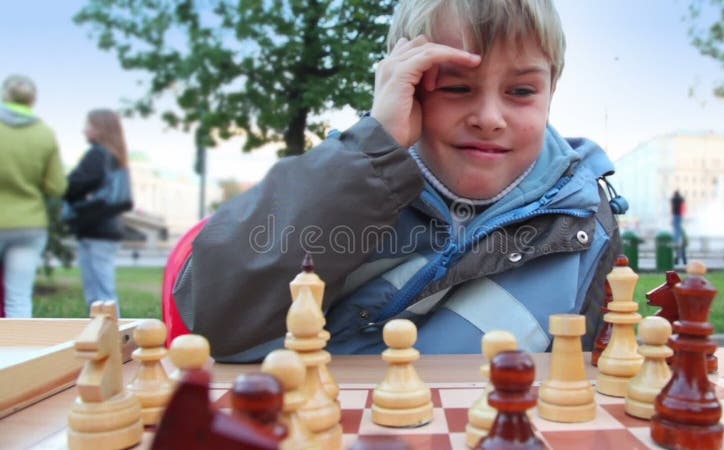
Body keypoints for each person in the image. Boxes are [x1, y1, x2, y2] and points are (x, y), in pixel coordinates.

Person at [174, 0, 623, 362]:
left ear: (551, 91)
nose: (489, 118)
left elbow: (578, 379)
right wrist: (373, 151)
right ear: (403, 82)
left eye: (521, 91)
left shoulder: (586, 221)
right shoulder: (349, 175)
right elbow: (210, 311)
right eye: (455, 87)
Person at [0, 75, 66, 318]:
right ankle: (20, 353)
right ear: (33, 100)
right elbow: (56, 187)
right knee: (18, 297)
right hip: (29, 224)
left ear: (4, 94)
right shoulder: (44, 134)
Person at [64, 109, 129, 312]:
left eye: (88, 125)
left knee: (99, 293)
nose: (84, 130)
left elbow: (73, 185)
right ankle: (105, 334)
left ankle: (108, 336)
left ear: (100, 129)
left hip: (96, 227)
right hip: (107, 228)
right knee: (103, 289)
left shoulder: (98, 155)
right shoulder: (116, 157)